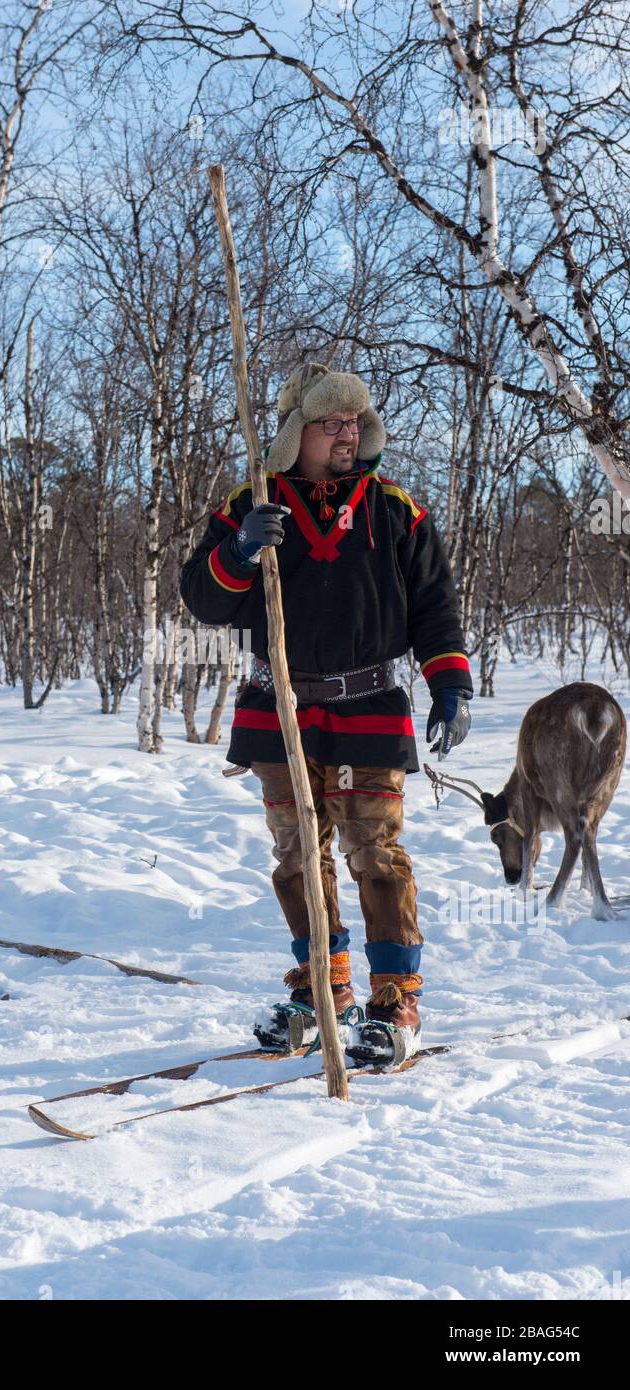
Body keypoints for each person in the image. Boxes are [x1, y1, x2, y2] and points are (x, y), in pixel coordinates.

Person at [179, 364, 473, 1062]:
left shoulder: (394, 509)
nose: (348, 435)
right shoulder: (249, 504)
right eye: (330, 423)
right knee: (296, 857)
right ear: (294, 434)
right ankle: (321, 988)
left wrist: (450, 686)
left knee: (374, 853)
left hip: (367, 705)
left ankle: (394, 999)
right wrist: (241, 549)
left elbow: (435, 607)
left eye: (354, 422)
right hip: (276, 707)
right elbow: (203, 599)